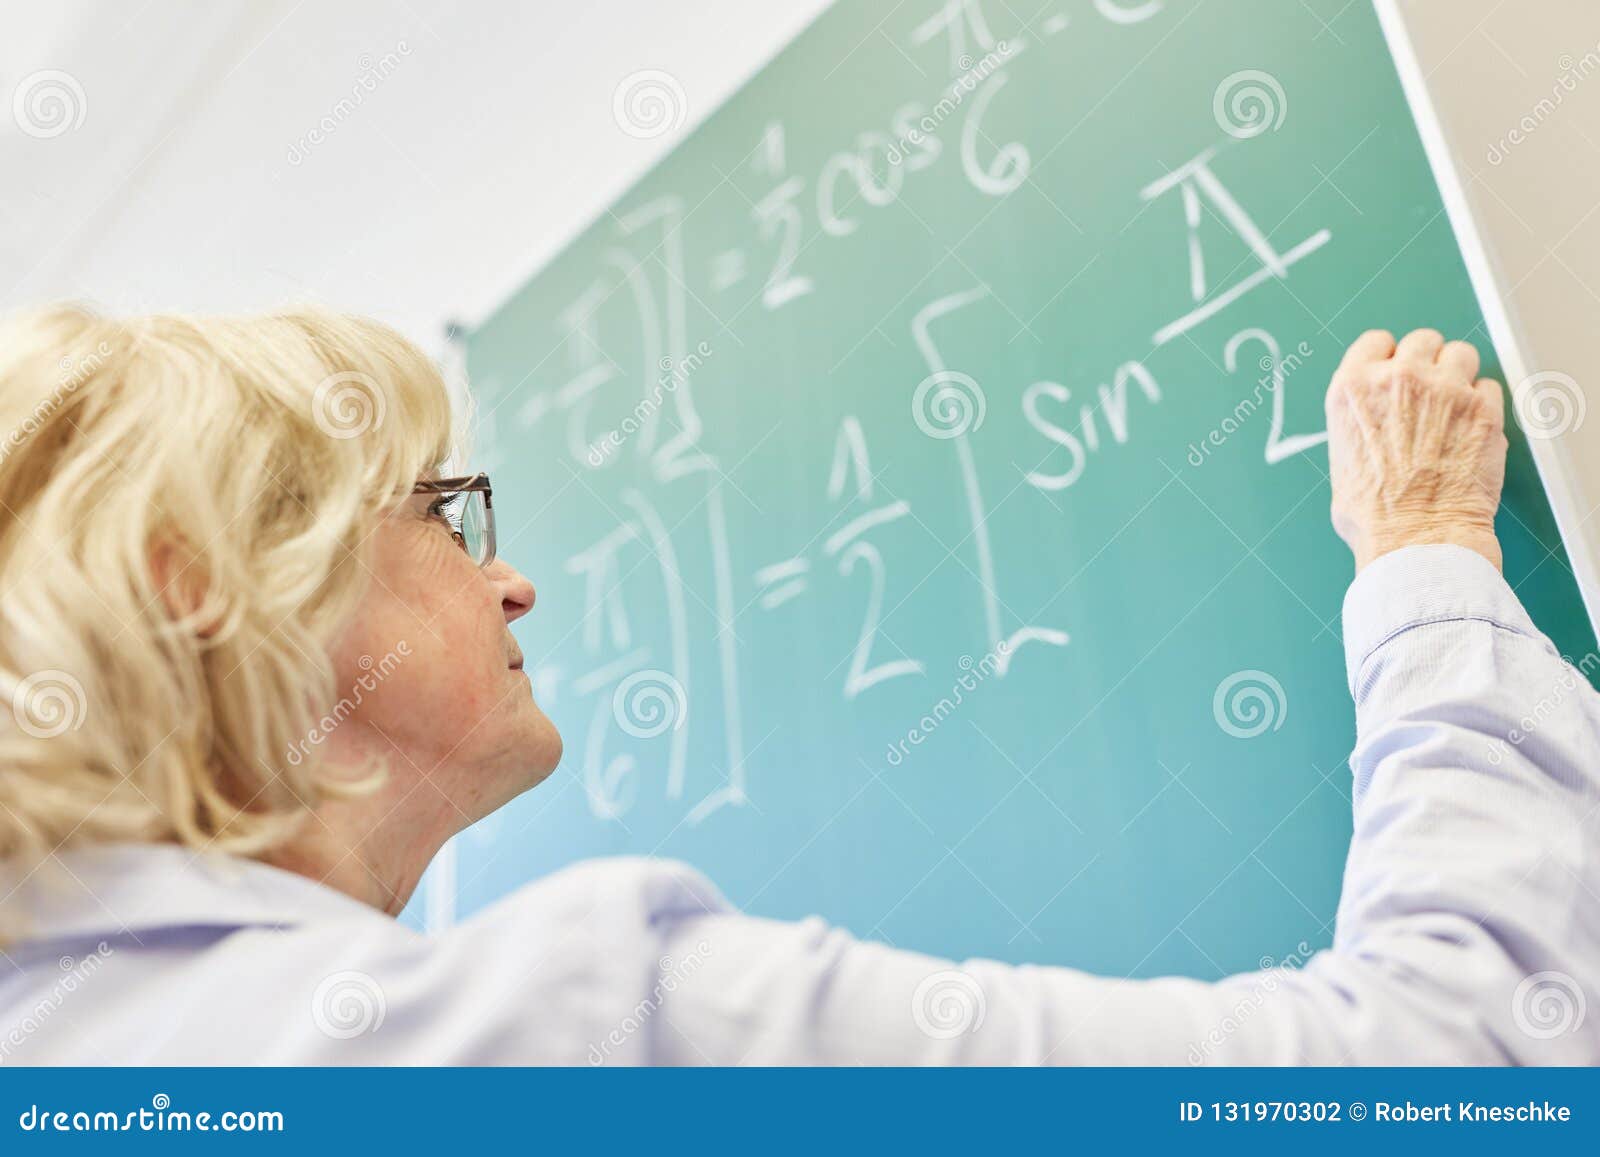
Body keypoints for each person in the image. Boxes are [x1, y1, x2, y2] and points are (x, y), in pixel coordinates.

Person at [0, 308, 1592, 1065]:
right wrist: (1430, 555)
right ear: (198, 579)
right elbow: (1456, 1067)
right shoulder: (566, 1034)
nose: (510, 576)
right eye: (437, 507)